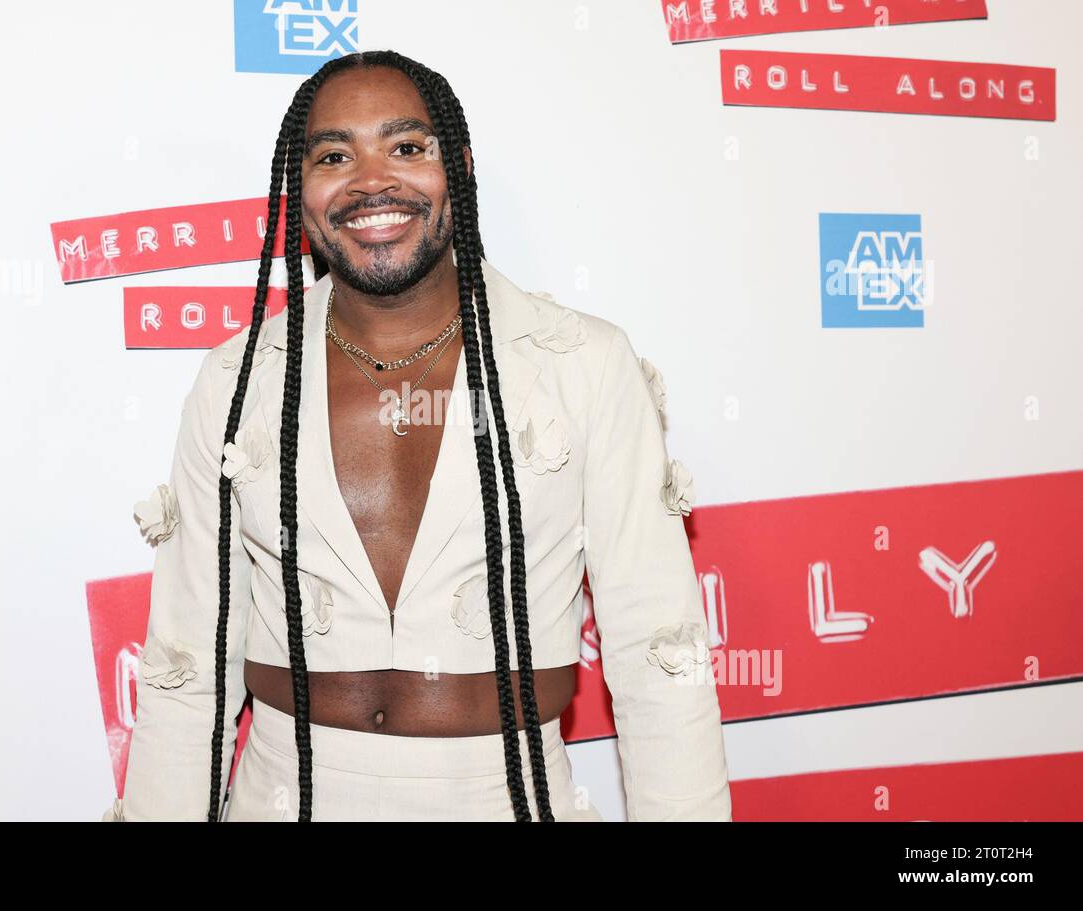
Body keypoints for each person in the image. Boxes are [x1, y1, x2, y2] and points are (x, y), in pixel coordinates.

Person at [110, 49, 731, 822]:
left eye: (407, 147)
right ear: (298, 195)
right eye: (334, 155)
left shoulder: (585, 365)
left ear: (460, 168)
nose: (372, 179)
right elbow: (186, 671)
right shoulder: (239, 381)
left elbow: (657, 657)